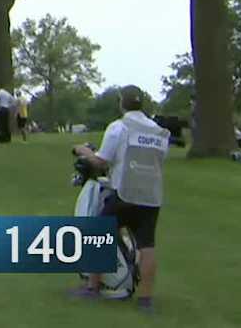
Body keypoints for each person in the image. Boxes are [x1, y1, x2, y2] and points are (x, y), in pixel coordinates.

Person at [70, 86, 168, 314]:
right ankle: (145, 300)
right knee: (147, 245)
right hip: (151, 195)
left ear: (121, 102)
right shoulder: (158, 131)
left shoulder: (119, 127)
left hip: (124, 193)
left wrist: (82, 150)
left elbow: (101, 162)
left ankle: (93, 288)